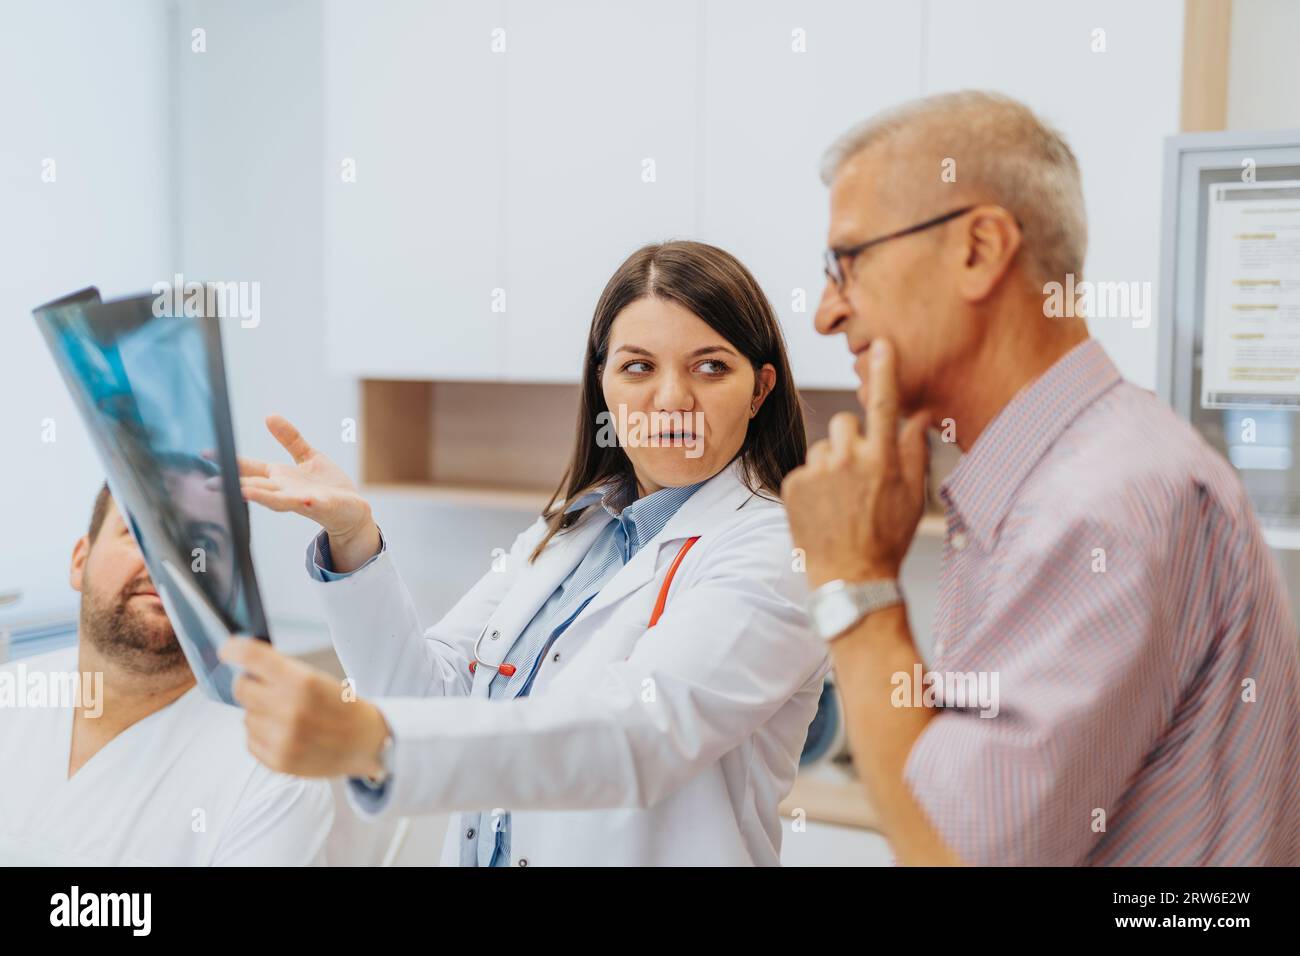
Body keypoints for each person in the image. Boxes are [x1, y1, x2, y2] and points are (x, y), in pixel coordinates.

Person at [782, 90, 1300, 866]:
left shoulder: (1101, 503)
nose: (826, 313)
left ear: (979, 248)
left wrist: (853, 586)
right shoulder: (1064, 480)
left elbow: (951, 856)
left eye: (848, 263)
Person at [220, 240, 830, 866]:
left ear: (758, 391)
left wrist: (380, 742)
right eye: (638, 367)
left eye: (709, 367)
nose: (671, 398)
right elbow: (424, 696)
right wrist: (353, 538)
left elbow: (638, 734)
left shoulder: (780, 550)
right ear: (603, 384)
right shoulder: (571, 529)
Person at [0, 485, 334, 865]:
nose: (168, 563)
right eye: (139, 532)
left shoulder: (273, 776)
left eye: (203, 547)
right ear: (80, 560)